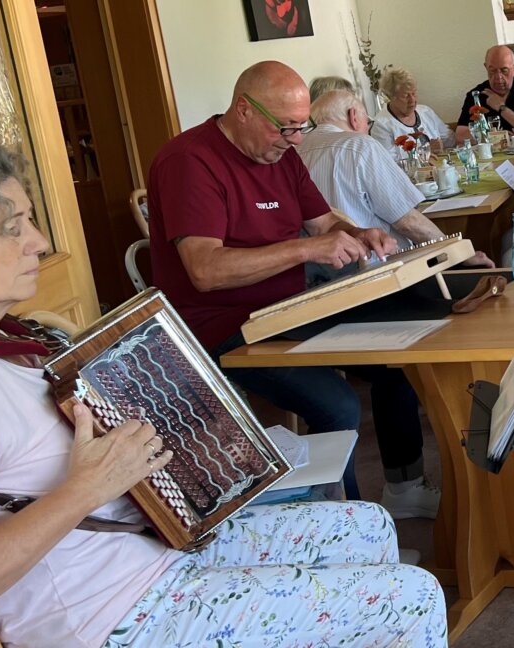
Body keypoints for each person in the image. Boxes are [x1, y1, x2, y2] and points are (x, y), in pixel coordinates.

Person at [0, 136, 448, 647]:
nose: (38, 242)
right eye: (11, 228)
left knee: (365, 524)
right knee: (413, 598)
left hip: (144, 553)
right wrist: (88, 487)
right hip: (108, 613)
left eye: (30, 220)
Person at [146, 61, 439, 518]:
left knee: (398, 352)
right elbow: (205, 270)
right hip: (222, 328)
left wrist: (358, 233)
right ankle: (343, 529)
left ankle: (404, 489)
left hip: (289, 309)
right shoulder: (189, 161)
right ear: (244, 110)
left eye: (302, 127)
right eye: (285, 128)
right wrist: (305, 250)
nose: (296, 140)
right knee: (337, 406)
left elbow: (322, 224)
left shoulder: (281, 154)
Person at [300, 90, 493, 266]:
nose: (368, 129)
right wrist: (460, 254)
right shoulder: (360, 146)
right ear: (353, 117)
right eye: (368, 122)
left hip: (326, 276)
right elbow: (408, 222)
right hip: (387, 269)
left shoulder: (294, 152)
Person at [455, 45, 514, 143]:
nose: (498, 77)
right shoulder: (476, 95)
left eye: (504, 71)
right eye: (492, 71)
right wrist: (496, 137)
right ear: (486, 67)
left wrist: (501, 107)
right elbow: (460, 135)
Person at [370, 68, 454, 154]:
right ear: (391, 97)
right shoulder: (381, 126)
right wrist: (427, 151)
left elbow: (449, 140)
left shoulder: (426, 112)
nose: (412, 100)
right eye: (406, 96)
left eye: (414, 93)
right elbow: (388, 160)